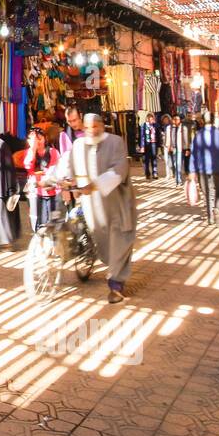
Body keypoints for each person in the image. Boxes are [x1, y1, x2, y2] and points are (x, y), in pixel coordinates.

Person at [60, 113, 138, 303]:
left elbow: (119, 169)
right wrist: (64, 179)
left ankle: (116, 285)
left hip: (118, 204)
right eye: (88, 127)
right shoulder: (79, 146)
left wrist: (94, 185)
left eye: (95, 126)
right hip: (93, 207)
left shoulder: (115, 142)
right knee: (104, 245)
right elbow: (68, 166)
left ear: (102, 125)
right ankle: (113, 270)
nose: (92, 130)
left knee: (119, 242)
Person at [188, 116, 219, 224]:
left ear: (202, 121)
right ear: (213, 121)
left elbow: (193, 154)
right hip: (218, 168)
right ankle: (218, 208)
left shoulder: (198, 136)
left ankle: (210, 217)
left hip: (203, 169)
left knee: (208, 193)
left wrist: (192, 170)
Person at [21, 127, 60, 232]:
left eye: (39, 138)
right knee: (37, 222)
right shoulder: (28, 153)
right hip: (36, 194)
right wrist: (33, 149)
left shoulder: (53, 152)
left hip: (52, 192)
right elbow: (28, 166)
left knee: (54, 222)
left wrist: (43, 179)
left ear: (45, 139)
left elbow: (54, 171)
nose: (37, 141)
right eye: (33, 139)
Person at [164, 113, 189, 186]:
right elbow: (167, 138)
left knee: (178, 164)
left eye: (177, 119)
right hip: (172, 148)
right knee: (173, 164)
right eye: (174, 119)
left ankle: (179, 180)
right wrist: (168, 146)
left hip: (180, 148)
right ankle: (177, 178)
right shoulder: (169, 128)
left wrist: (187, 149)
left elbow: (185, 139)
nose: (175, 121)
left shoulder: (183, 128)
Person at [138, 113, 160, 180]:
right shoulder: (143, 126)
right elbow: (141, 137)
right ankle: (147, 173)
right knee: (146, 160)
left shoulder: (155, 125)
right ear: (147, 119)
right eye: (150, 118)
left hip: (153, 143)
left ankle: (155, 173)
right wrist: (141, 146)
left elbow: (158, 135)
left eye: (152, 118)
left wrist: (159, 145)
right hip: (146, 144)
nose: (151, 119)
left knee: (154, 158)